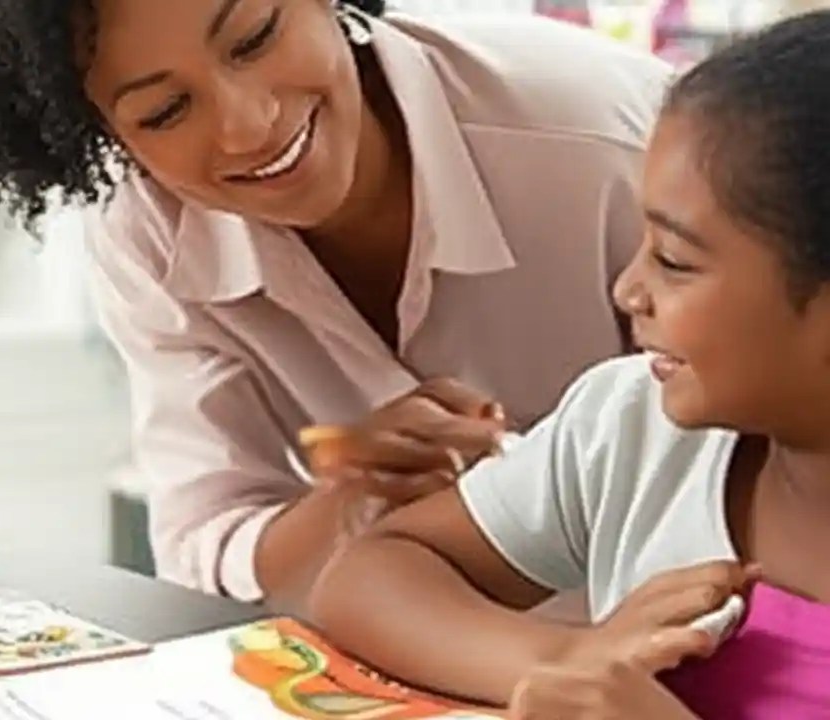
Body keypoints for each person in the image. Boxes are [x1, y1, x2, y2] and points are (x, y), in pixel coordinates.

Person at [0, 0, 670, 602]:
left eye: (255, 38)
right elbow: (206, 537)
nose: (248, 125)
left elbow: (773, 462)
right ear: (101, 138)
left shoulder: (601, 147)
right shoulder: (147, 231)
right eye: (164, 111)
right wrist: (349, 506)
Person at [310, 11, 830, 718]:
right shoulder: (634, 431)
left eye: (675, 261)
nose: (628, 290)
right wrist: (566, 661)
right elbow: (371, 574)